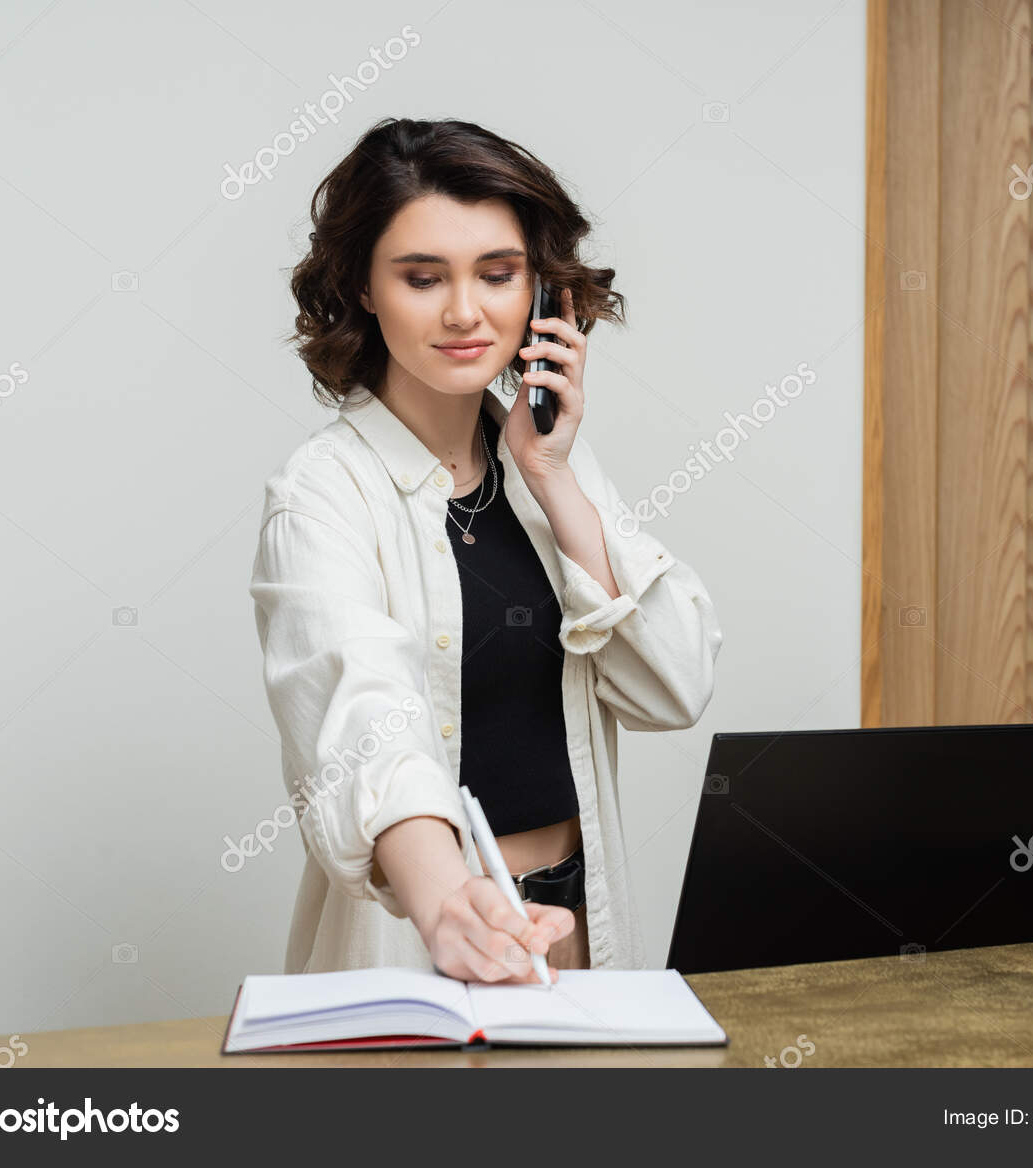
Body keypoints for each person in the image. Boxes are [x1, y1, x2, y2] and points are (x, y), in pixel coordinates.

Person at [249, 117, 723, 983]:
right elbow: (366, 722)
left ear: (543, 294)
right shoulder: (320, 495)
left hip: (576, 926)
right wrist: (445, 905)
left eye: (498, 276)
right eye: (423, 278)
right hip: (429, 937)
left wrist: (553, 477)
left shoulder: (548, 471)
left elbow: (676, 684)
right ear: (362, 287)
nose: (465, 312)